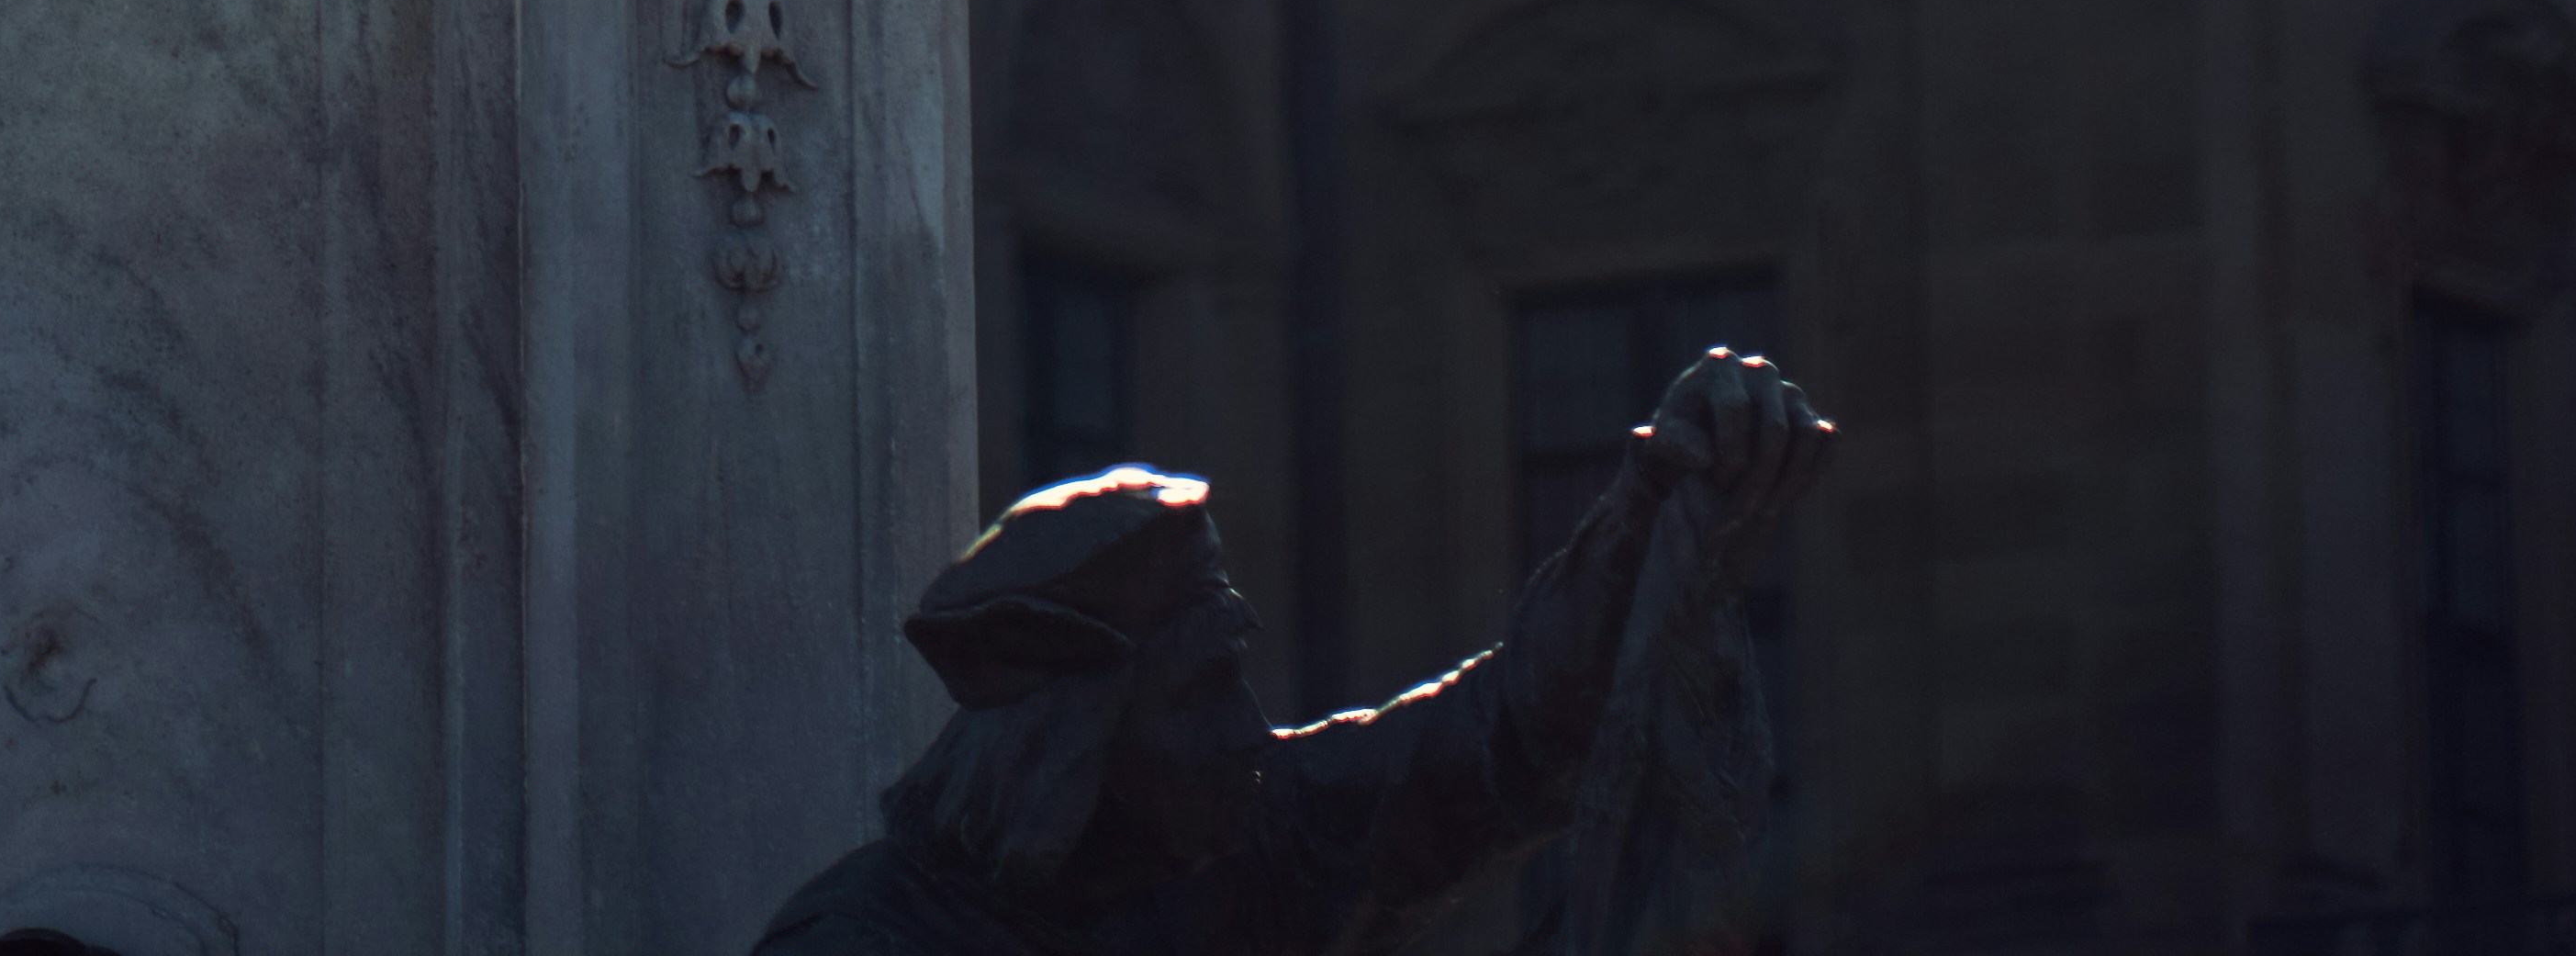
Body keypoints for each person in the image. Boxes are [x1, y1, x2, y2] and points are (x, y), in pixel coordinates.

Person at [746, 357, 1833, 956]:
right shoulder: (863, 944)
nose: (1245, 731)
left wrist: (1648, 518)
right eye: (1212, 679)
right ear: (1089, 720)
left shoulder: (1235, 844)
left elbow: (1502, 735)